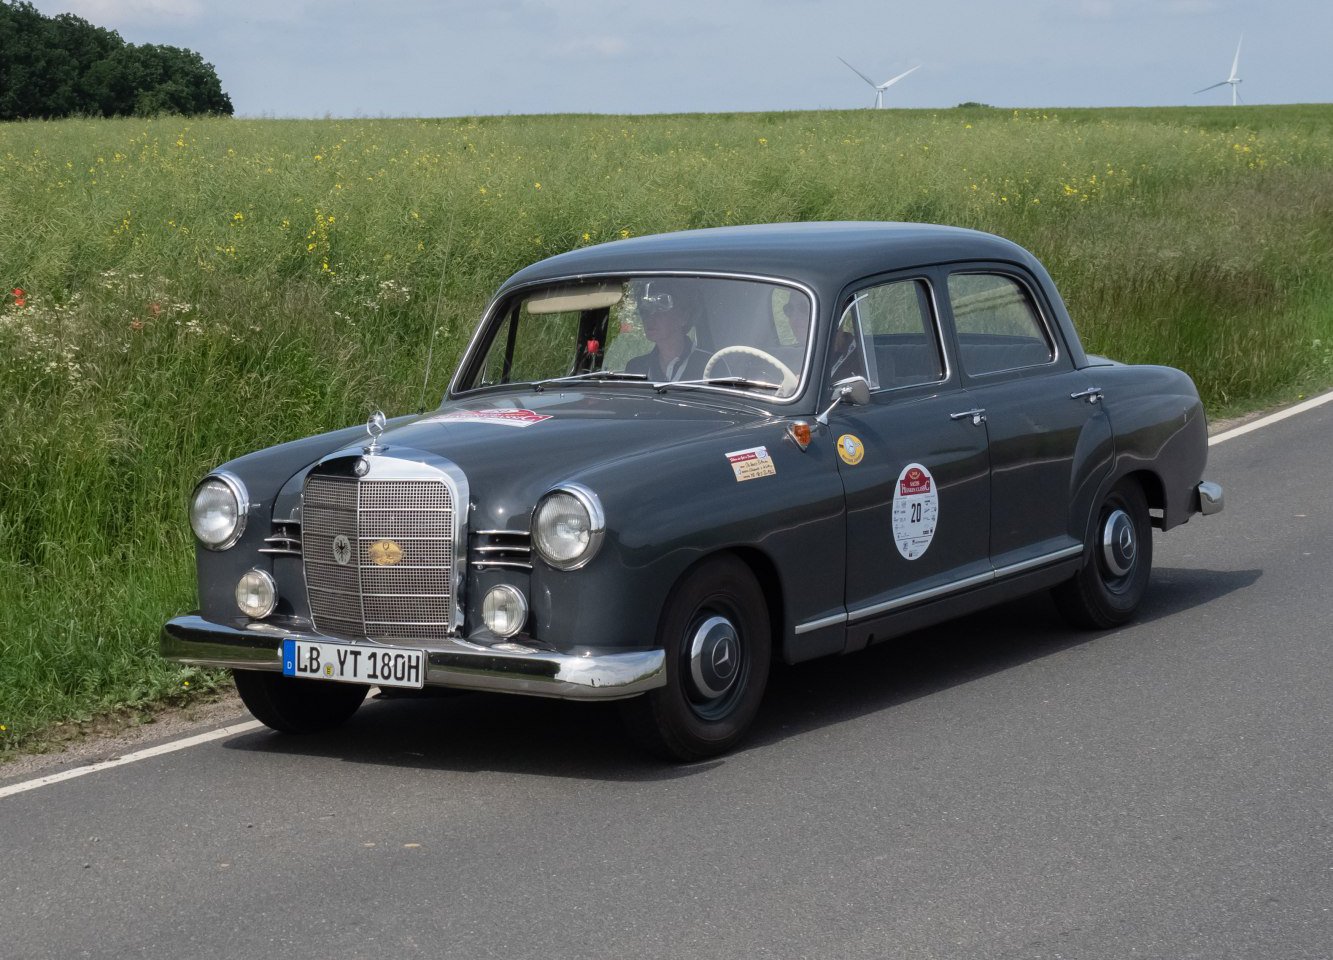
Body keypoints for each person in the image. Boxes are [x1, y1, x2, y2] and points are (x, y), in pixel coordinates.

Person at [624, 280, 716, 382]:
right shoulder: (635, 367)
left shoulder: (711, 366)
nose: (650, 317)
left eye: (660, 309)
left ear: (684, 316)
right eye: (645, 310)